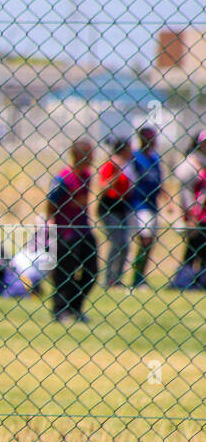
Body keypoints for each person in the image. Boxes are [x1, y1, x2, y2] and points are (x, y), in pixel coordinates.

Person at [45, 139, 98, 324]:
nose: (93, 157)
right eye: (90, 153)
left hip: (84, 229)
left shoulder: (87, 176)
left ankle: (75, 307)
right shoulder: (63, 178)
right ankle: (60, 310)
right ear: (78, 155)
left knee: (92, 272)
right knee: (64, 272)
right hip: (65, 233)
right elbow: (50, 203)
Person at [127, 124, 162, 289]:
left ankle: (140, 276)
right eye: (149, 137)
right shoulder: (135, 158)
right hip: (139, 204)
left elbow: (159, 181)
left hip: (153, 205)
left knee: (150, 242)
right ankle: (136, 277)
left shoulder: (155, 158)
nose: (152, 141)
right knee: (145, 239)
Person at [171, 130, 206, 290]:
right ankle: (184, 281)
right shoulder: (191, 162)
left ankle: (197, 280)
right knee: (194, 247)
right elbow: (185, 191)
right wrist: (191, 213)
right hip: (197, 213)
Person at [96, 136, 133, 288]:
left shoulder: (128, 165)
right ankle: (109, 279)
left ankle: (117, 278)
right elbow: (102, 187)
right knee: (116, 242)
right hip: (109, 206)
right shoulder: (111, 164)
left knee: (124, 245)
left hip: (122, 206)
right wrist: (116, 174)